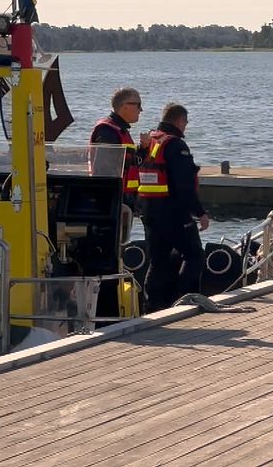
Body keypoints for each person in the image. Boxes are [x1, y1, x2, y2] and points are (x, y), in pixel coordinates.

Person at [138, 103, 210, 311]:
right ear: (179, 121)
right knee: (194, 254)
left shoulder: (150, 143)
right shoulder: (175, 145)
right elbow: (184, 185)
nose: (185, 127)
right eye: (185, 122)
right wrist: (200, 213)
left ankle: (152, 306)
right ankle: (186, 301)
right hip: (174, 213)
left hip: (149, 211)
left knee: (158, 260)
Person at [89, 87, 143, 207]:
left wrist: (143, 149)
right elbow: (105, 169)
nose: (141, 110)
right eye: (138, 105)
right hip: (111, 200)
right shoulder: (107, 131)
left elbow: (129, 161)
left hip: (123, 199)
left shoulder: (120, 130)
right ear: (125, 107)